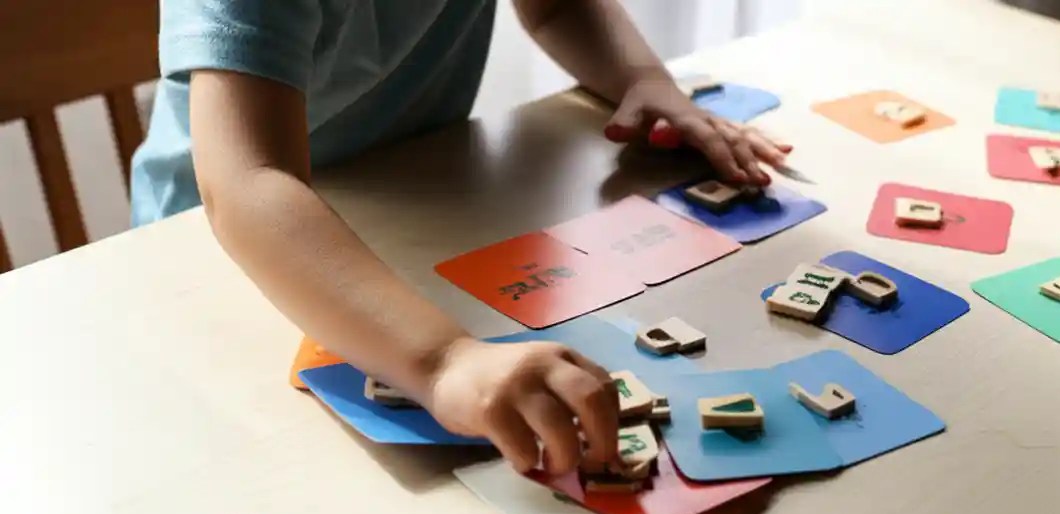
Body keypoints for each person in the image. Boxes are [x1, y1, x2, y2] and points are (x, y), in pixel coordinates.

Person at [131, 0, 791, 475]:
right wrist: (443, 361)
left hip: (417, 210)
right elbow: (247, 182)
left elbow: (557, 9)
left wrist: (646, 81)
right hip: (225, 256)